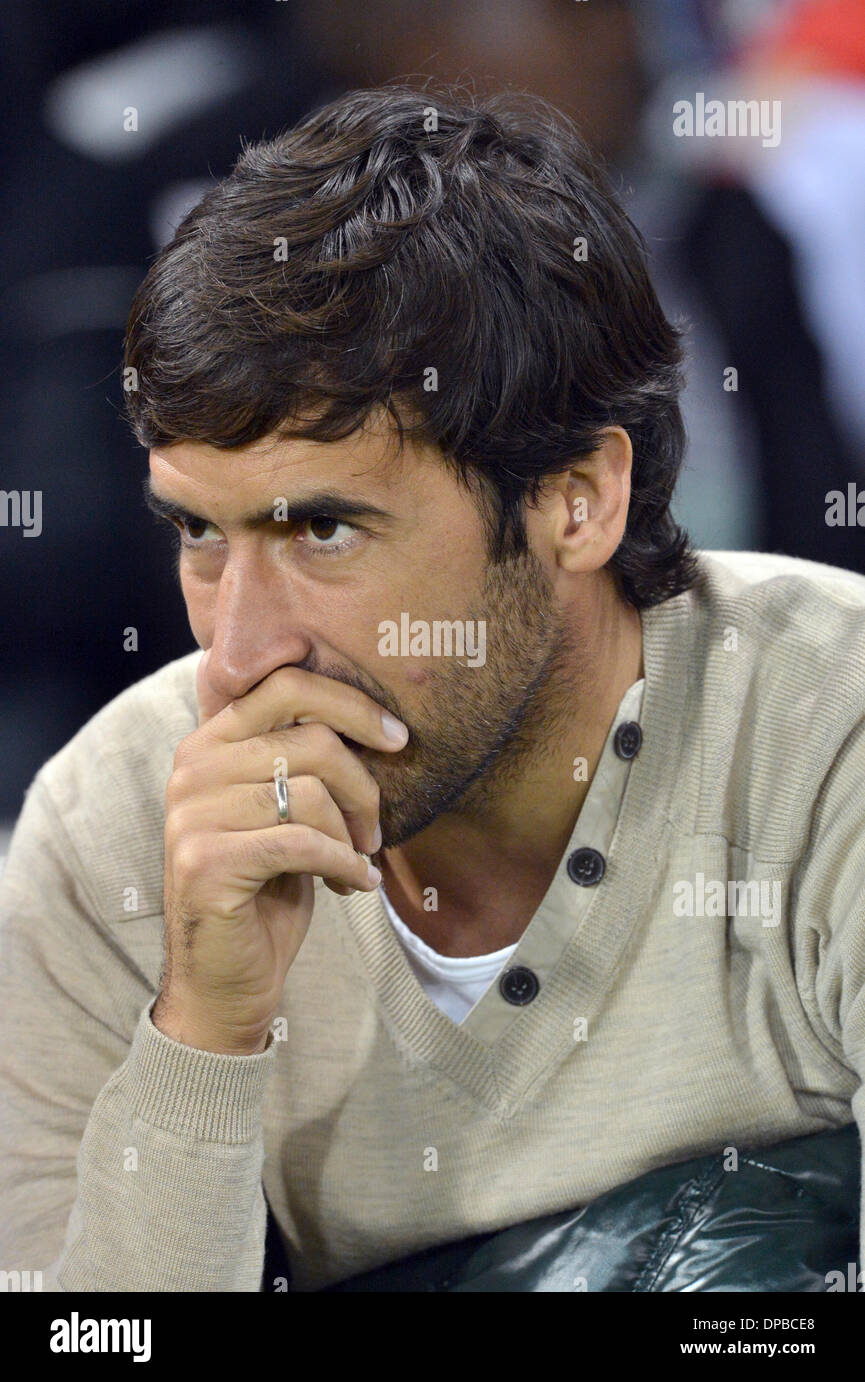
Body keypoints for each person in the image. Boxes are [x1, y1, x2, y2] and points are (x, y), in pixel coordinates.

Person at [1, 83, 863, 1293]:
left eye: (324, 530)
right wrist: (202, 1031)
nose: (240, 654)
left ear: (576, 499)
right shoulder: (112, 831)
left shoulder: (830, 736)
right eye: (200, 532)